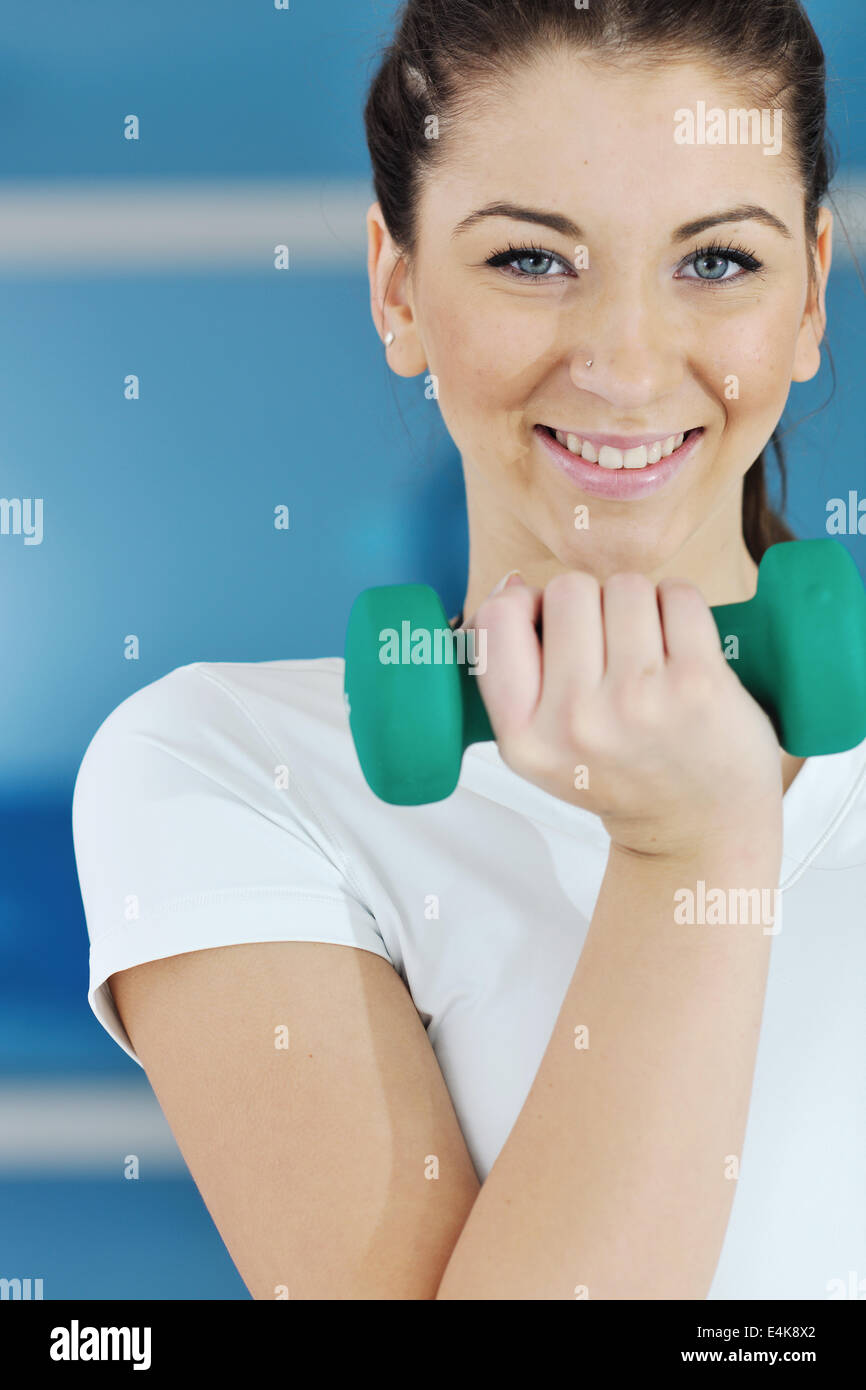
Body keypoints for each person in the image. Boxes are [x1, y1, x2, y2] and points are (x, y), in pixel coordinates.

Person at [72, 0, 865, 1300]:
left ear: (809, 296)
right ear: (396, 287)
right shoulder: (225, 767)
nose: (623, 362)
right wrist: (691, 854)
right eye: (531, 261)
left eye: (715, 261)